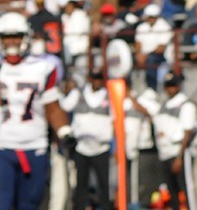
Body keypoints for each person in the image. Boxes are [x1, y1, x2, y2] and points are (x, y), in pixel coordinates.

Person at [0, 12, 76, 210]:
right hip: (3, 146)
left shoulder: (42, 68)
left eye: (16, 36)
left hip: (35, 145)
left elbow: (52, 107)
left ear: (26, 37)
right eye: (7, 37)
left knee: (30, 204)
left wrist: (64, 131)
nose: (12, 42)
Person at [60, 70, 114, 210]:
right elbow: (64, 106)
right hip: (82, 147)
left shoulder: (109, 96)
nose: (97, 81)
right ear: (90, 78)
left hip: (101, 148)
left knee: (103, 184)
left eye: (100, 78)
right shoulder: (78, 94)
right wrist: (67, 90)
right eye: (95, 78)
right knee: (81, 185)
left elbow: (115, 119)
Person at [149, 72, 197, 210]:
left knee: (186, 189)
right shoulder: (164, 105)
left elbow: (187, 132)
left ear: (178, 86)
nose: (170, 89)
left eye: (172, 85)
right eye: (167, 86)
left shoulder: (185, 105)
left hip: (179, 153)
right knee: (172, 191)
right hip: (165, 153)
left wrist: (179, 158)